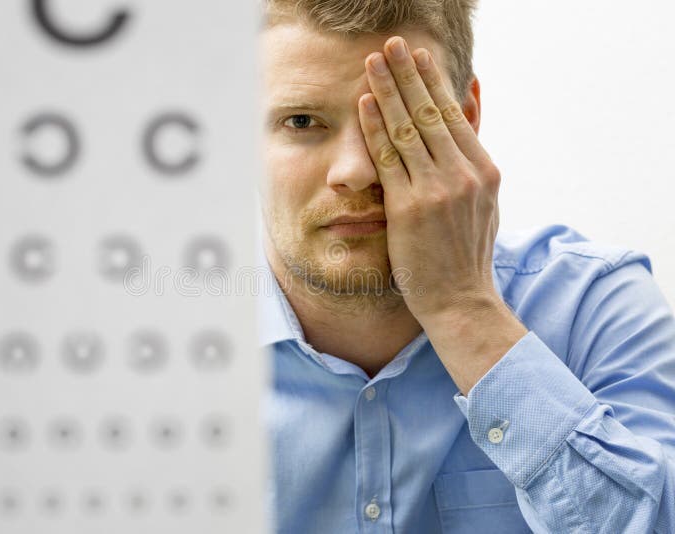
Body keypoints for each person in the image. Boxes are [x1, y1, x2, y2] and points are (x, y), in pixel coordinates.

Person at [256, 0, 675, 532]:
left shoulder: (595, 307)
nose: (356, 170)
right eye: (301, 121)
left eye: (395, 118)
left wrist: (462, 308)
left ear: (467, 118)